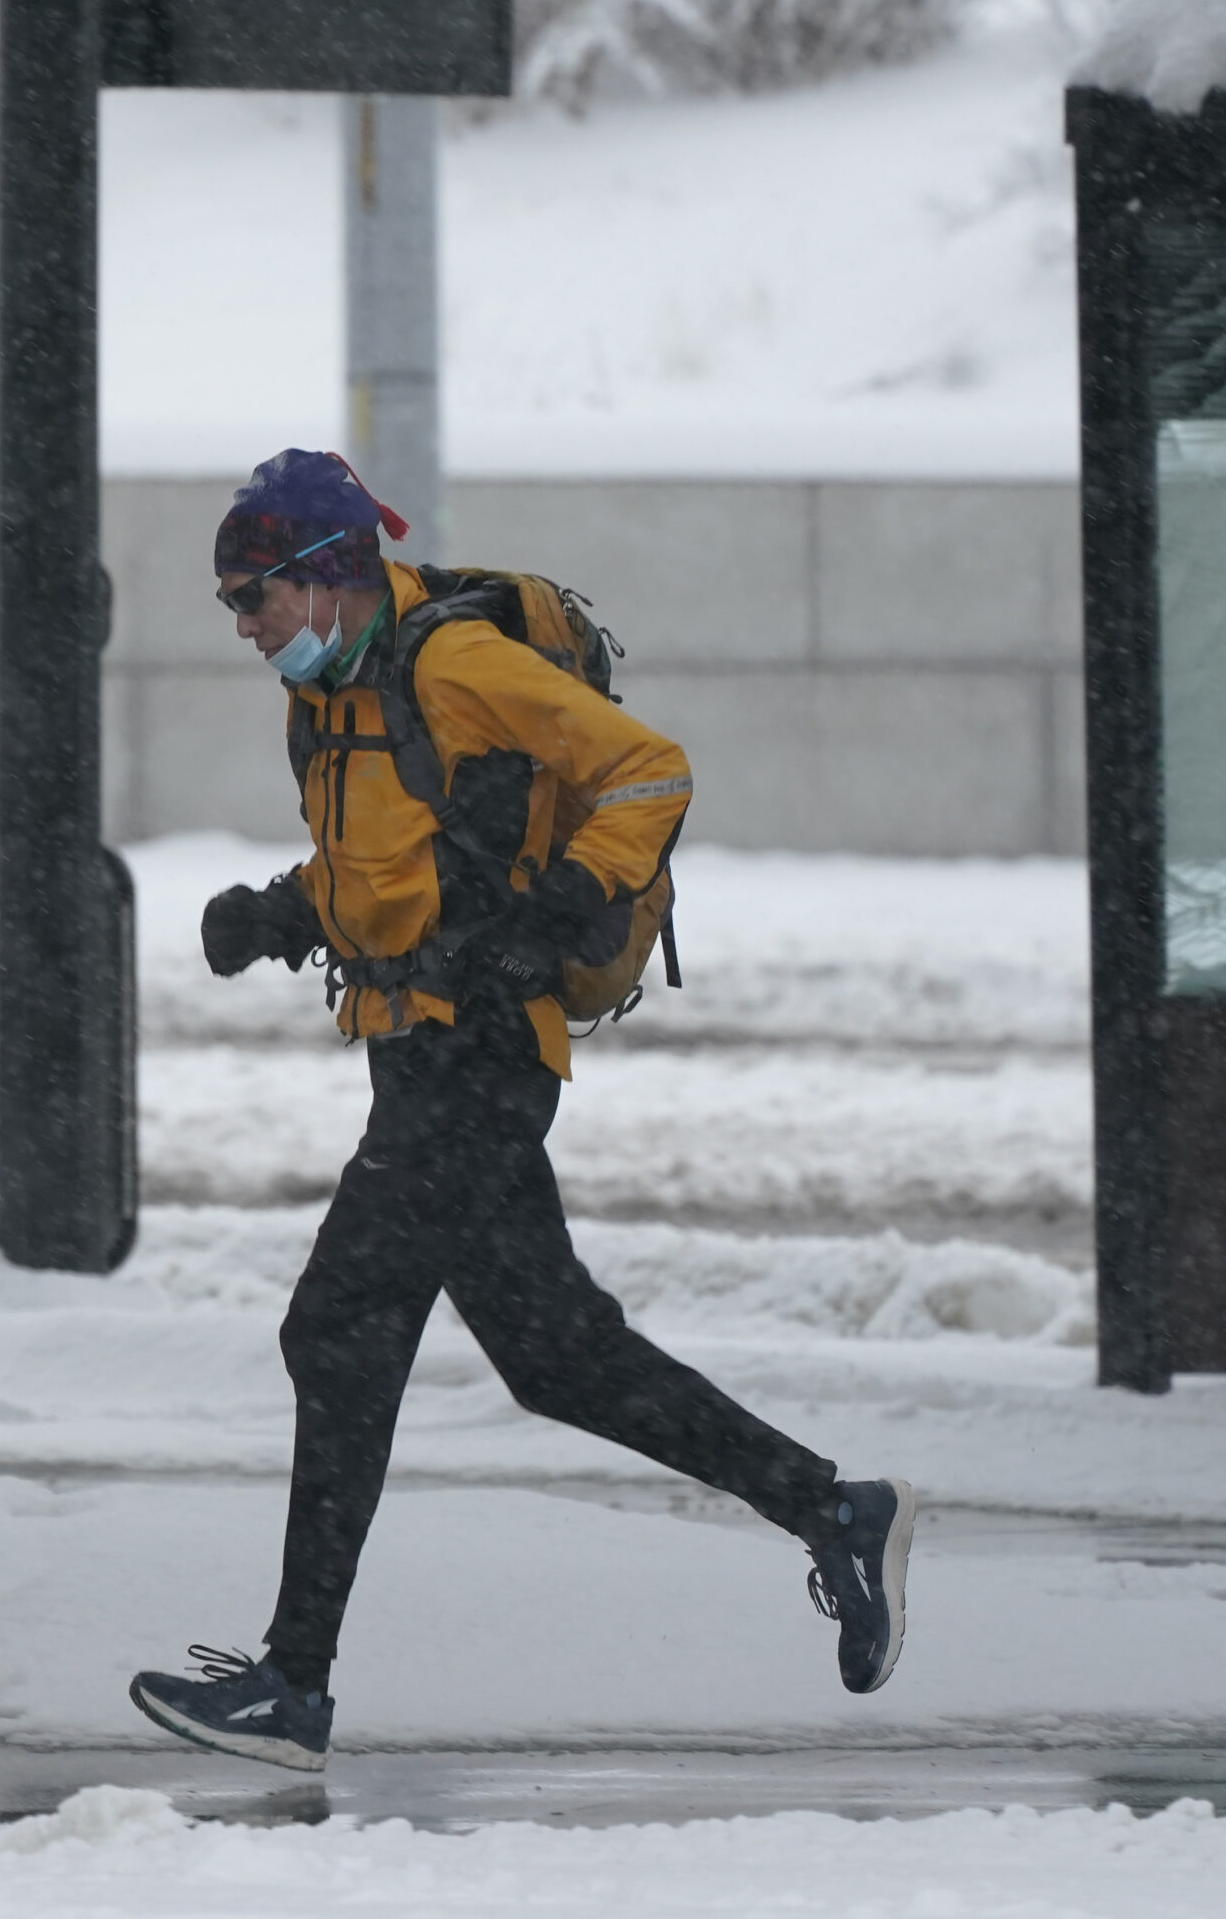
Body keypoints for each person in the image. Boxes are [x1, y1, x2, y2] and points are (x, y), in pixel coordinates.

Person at [127, 449, 915, 1774]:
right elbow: (382, 875)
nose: (244, 628)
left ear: (327, 579)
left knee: (337, 1331)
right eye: (231, 606)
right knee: (558, 1360)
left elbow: (649, 771)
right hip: (418, 1051)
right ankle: (835, 1509)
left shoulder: (453, 667)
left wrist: (573, 905)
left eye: (253, 598)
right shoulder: (328, 703)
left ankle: (293, 1684)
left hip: (483, 1053)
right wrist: (280, 913)